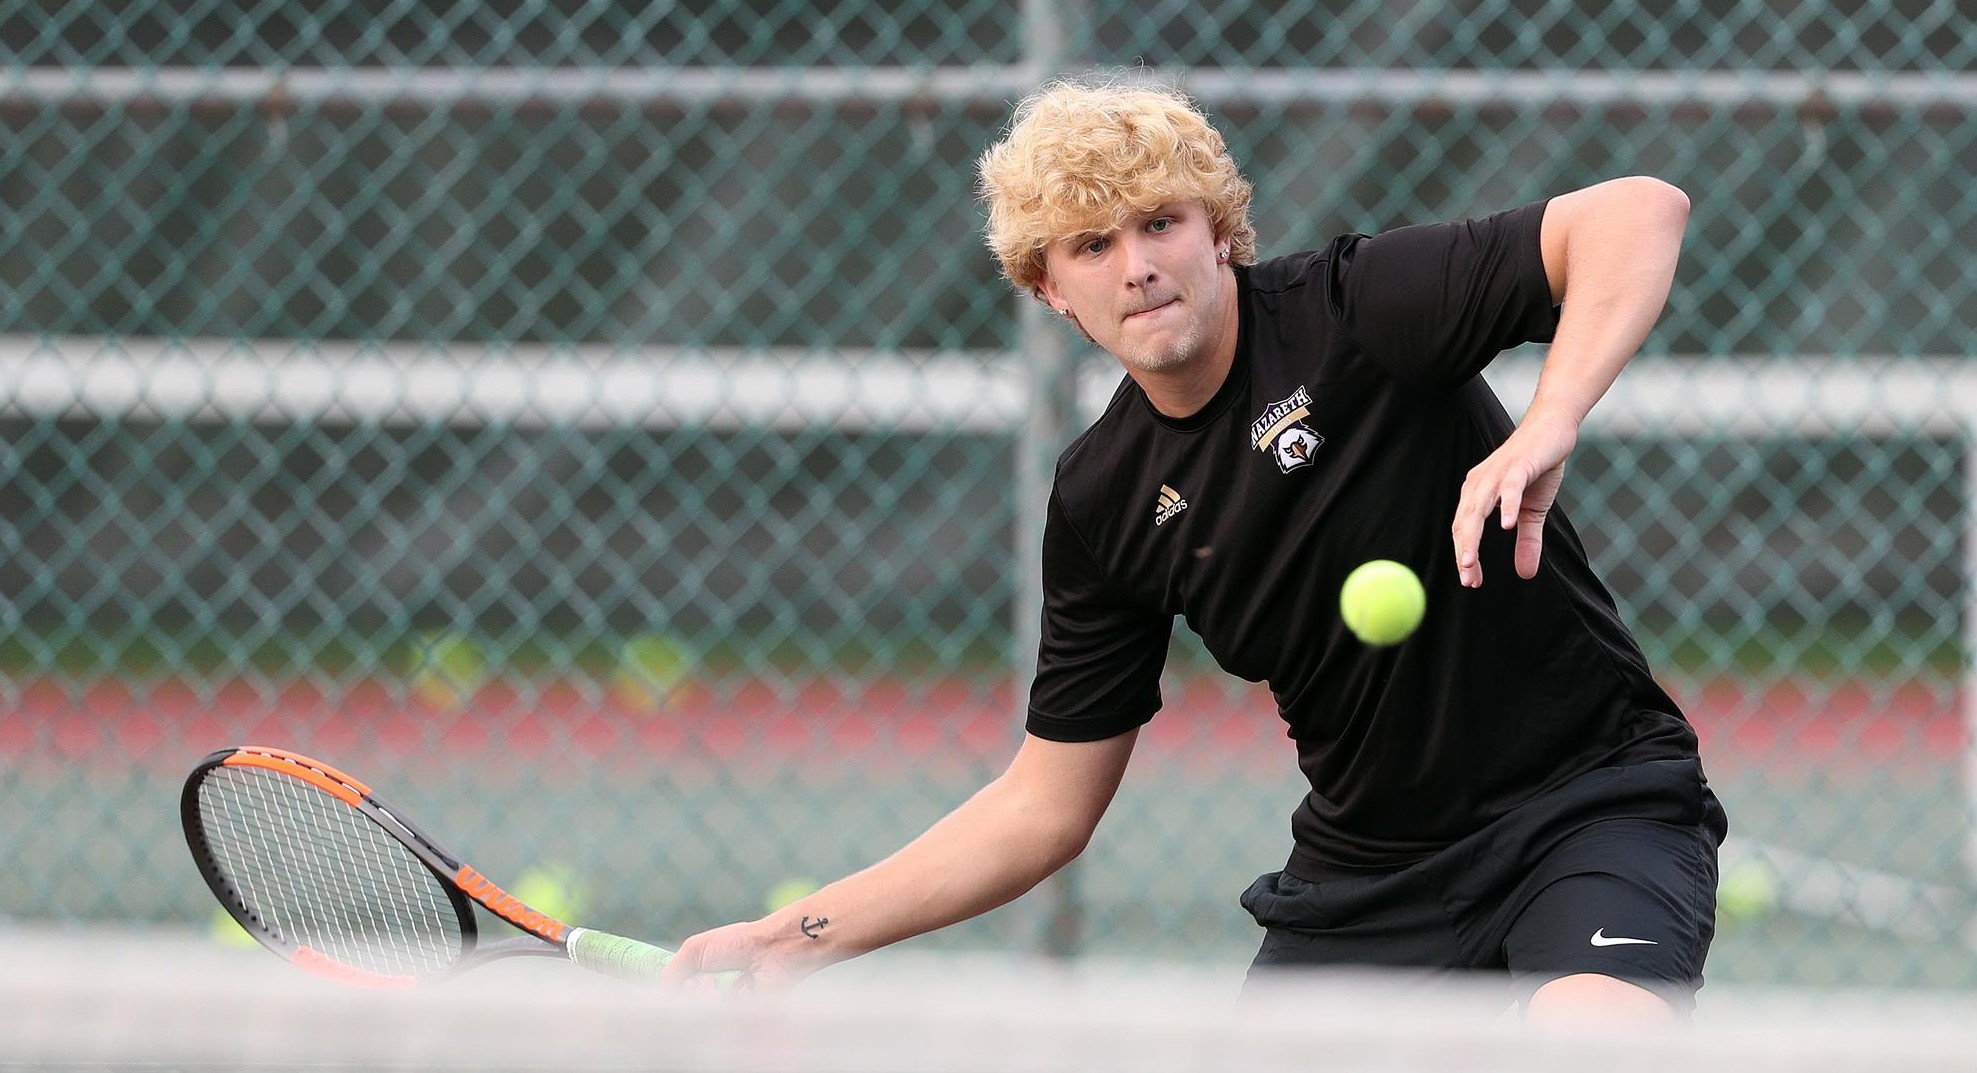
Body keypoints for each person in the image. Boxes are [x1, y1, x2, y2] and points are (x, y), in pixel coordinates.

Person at [663, 74, 1727, 1020]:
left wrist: (1551, 417)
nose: (1136, 266)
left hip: (1590, 806)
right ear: (1050, 288)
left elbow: (1638, 213)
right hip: (1370, 877)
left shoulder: (1356, 309)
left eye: (1159, 223)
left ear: (1217, 230)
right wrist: (788, 936)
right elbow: (1045, 805)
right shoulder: (1102, 500)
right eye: (1091, 245)